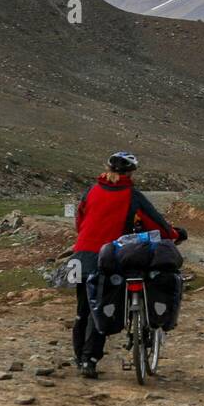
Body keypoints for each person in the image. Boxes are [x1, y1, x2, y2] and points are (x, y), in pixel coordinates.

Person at [71, 151, 182, 378]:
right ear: (131, 173)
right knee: (100, 307)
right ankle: (89, 360)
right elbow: (157, 224)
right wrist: (174, 234)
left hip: (81, 253)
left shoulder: (90, 191)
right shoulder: (132, 195)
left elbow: (79, 221)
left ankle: (80, 357)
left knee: (82, 309)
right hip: (108, 255)